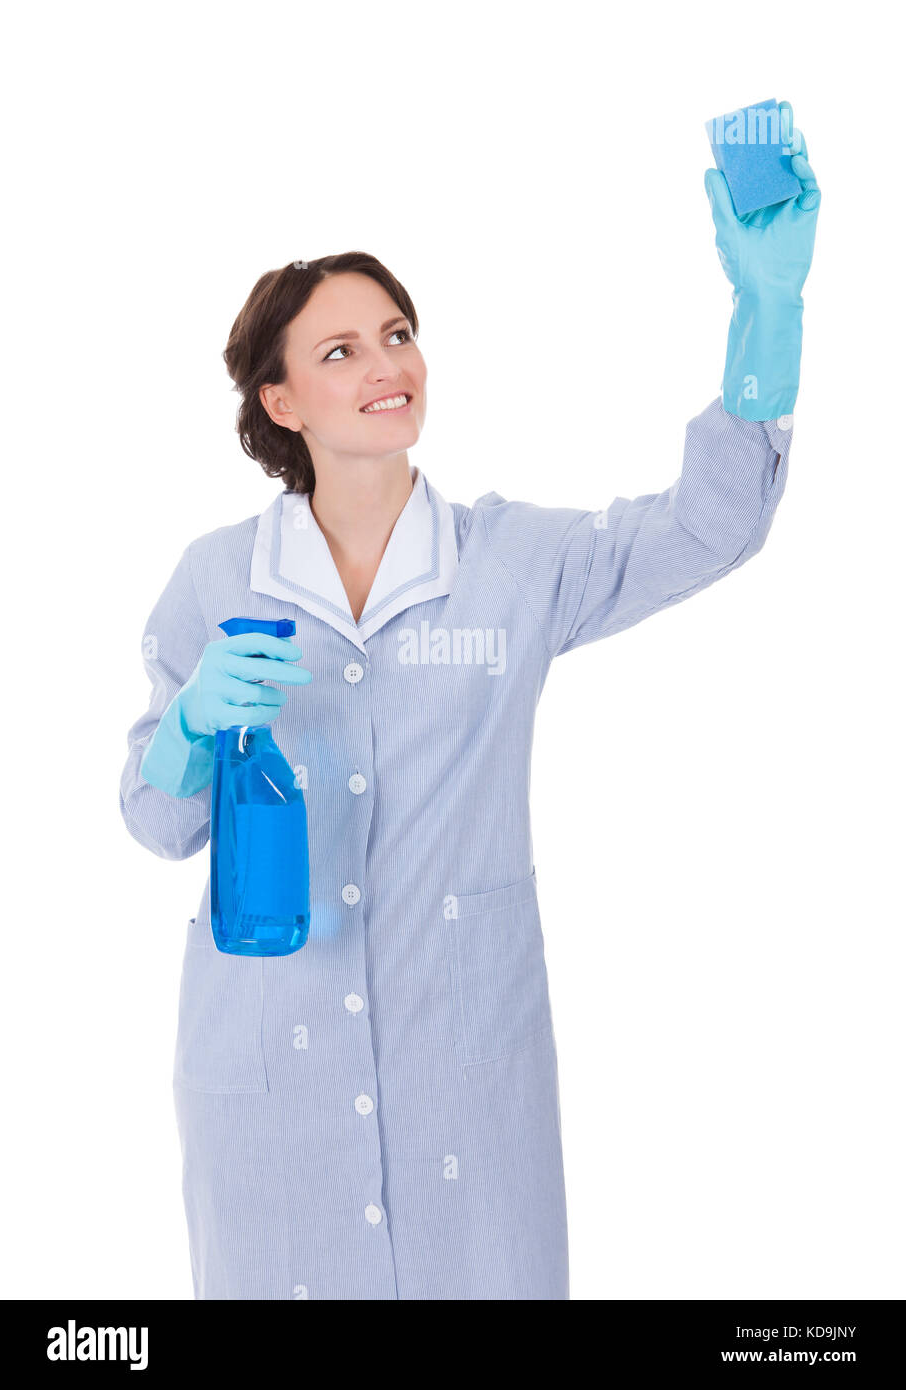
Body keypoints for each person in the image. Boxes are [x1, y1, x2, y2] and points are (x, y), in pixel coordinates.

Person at [119, 104, 820, 1300]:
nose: (385, 364)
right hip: (267, 1079)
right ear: (281, 403)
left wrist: (768, 313)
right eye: (339, 351)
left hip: (466, 1075)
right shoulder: (216, 578)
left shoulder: (513, 561)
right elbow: (155, 817)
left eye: (397, 333)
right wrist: (187, 730)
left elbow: (713, 526)